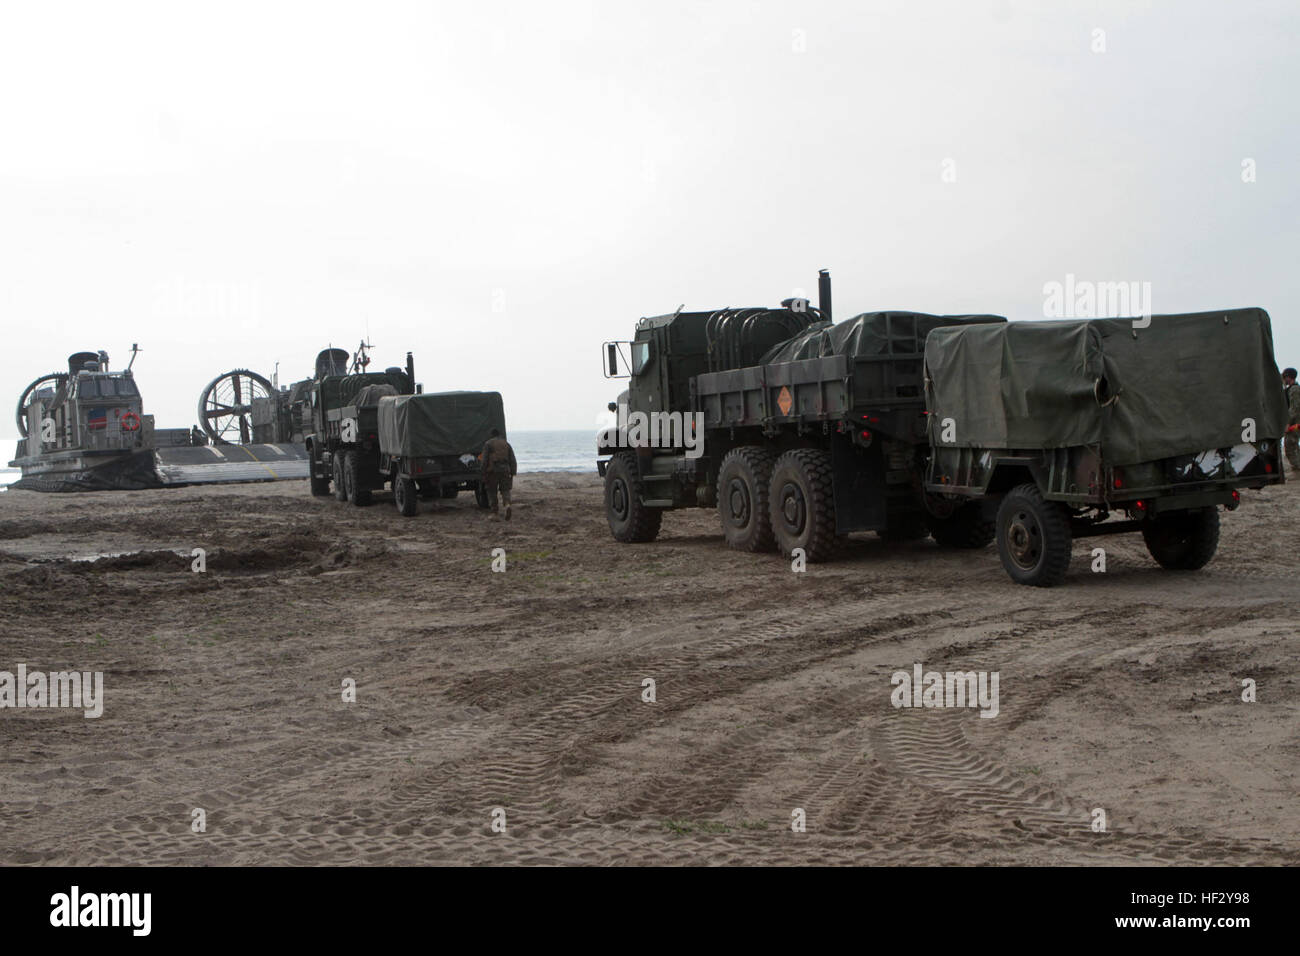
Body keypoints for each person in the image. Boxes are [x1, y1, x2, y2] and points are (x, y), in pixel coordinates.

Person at [480, 428, 517, 519]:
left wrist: (483, 471)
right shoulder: (506, 444)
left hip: (493, 471)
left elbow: (484, 460)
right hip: (505, 470)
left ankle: (494, 512)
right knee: (505, 490)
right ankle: (507, 505)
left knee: (492, 491)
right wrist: (513, 471)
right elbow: (512, 459)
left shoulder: (488, 444)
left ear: (491, 435)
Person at [1284, 368, 1300, 472]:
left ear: (1289, 377)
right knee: (1294, 447)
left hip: (1295, 424)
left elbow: (1294, 408)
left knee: (1290, 447)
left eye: (1285, 377)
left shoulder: (1294, 390)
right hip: (1295, 423)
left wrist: (1288, 423)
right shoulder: (1291, 389)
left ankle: (1298, 467)